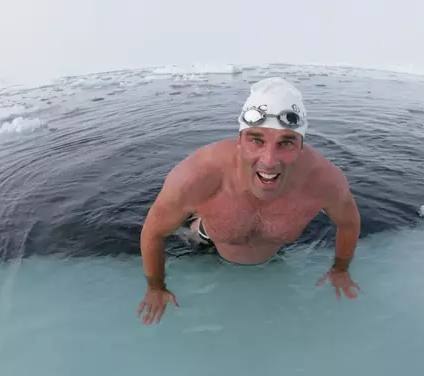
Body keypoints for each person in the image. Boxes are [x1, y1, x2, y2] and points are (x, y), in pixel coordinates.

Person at [137, 77, 362, 325]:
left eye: (286, 142)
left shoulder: (325, 181)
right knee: (196, 229)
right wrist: (156, 286)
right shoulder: (197, 175)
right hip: (206, 241)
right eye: (256, 140)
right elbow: (153, 231)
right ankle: (201, 223)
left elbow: (349, 222)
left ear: (301, 146)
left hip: (273, 252)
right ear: (240, 142)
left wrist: (340, 269)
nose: (269, 160)